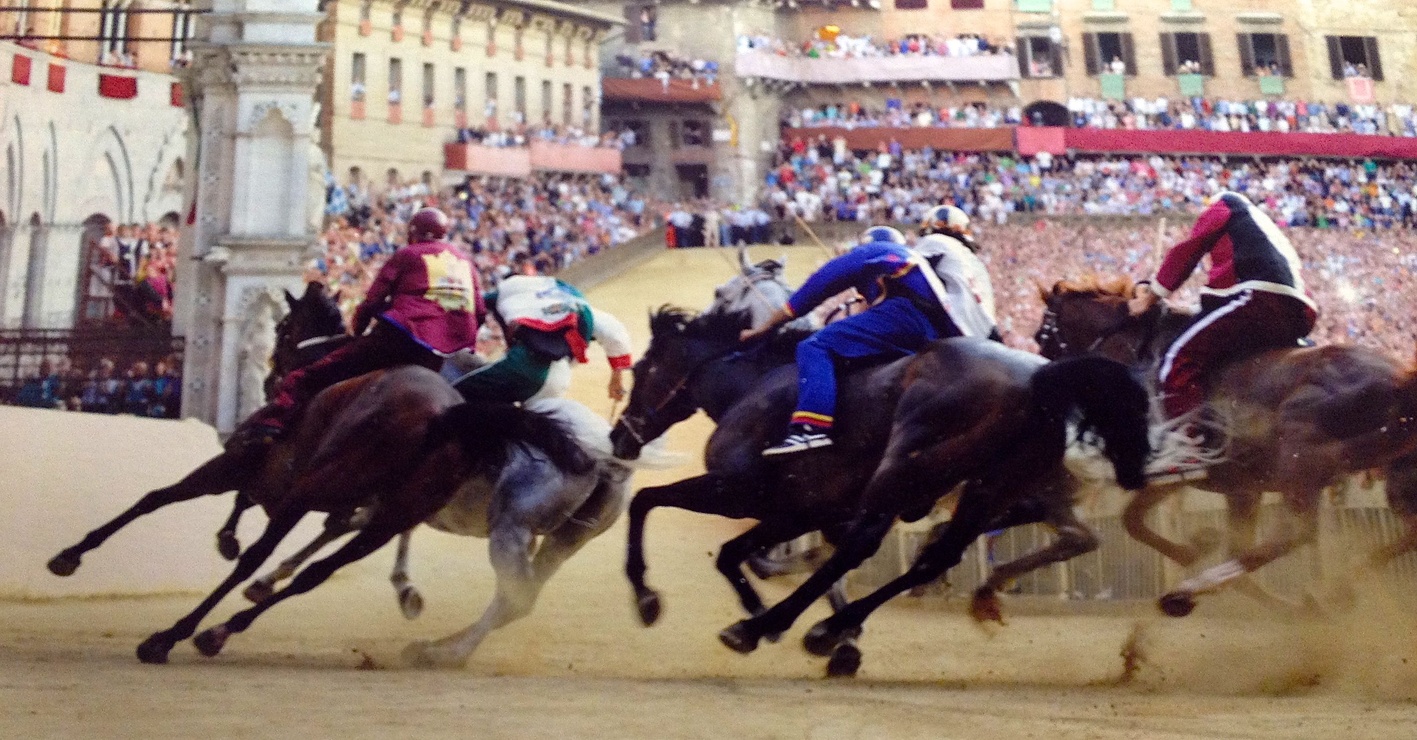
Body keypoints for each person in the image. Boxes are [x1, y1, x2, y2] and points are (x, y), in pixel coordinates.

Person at [235, 207, 484, 446]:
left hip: (404, 340)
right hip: (454, 351)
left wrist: (358, 330)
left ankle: (271, 424)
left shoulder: (407, 255)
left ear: (413, 233)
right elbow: (480, 312)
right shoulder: (466, 263)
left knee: (305, 376)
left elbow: (372, 301)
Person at [1127, 191, 1317, 483]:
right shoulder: (1262, 228)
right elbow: (1222, 307)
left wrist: (1152, 295)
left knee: (1177, 357)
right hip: (1295, 311)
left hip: (1257, 297)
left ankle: (1186, 446)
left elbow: (1186, 252)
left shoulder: (1225, 205)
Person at [741, 226, 968, 456]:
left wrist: (764, 328)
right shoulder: (907, 265)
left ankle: (810, 429)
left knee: (815, 346)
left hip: (904, 315)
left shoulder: (870, 252)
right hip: (930, 331)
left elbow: (812, 291)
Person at [453, 275, 631, 405]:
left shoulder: (503, 295)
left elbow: (474, 306)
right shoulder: (567, 297)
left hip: (522, 367)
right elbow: (615, 331)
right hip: (559, 379)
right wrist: (616, 378)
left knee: (453, 397)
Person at [914, 205, 999, 341]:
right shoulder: (972, 258)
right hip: (987, 329)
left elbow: (912, 274)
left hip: (955, 324)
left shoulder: (933, 241)